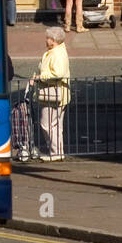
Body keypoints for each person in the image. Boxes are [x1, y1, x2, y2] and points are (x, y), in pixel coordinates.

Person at [31, 27, 71, 161]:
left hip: (53, 94)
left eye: (47, 38)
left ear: (53, 40)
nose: (46, 40)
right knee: (55, 125)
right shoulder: (55, 51)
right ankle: (57, 152)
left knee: (47, 124)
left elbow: (58, 73)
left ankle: (56, 153)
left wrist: (40, 77)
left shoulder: (56, 54)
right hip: (58, 94)